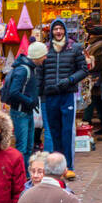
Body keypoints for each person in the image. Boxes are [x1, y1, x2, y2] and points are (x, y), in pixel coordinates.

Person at [36, 18, 90, 179]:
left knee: (67, 131)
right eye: (55, 29)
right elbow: (40, 73)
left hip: (67, 95)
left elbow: (83, 70)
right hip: (50, 96)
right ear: (51, 32)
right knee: (54, 132)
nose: (58, 32)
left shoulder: (74, 48)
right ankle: (57, 167)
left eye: (60, 29)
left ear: (65, 31)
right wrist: (40, 93)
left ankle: (69, 166)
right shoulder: (46, 50)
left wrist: (70, 80)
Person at [2, 38, 47, 160]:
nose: (45, 58)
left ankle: (25, 175)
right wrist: (29, 101)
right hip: (21, 112)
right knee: (22, 147)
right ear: (37, 56)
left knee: (27, 147)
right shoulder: (24, 70)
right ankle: (20, 175)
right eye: (44, 55)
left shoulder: (29, 68)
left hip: (26, 111)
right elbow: (13, 92)